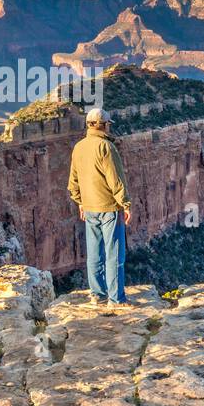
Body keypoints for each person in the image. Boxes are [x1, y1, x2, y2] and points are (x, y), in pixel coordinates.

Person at [67, 107, 131, 306]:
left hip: (89, 208)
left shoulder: (79, 147)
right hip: (109, 208)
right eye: (108, 125)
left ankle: (98, 295)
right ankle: (116, 299)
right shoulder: (106, 147)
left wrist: (80, 203)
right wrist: (125, 204)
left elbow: (73, 182)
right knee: (114, 254)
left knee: (94, 253)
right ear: (104, 126)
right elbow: (116, 180)